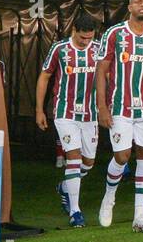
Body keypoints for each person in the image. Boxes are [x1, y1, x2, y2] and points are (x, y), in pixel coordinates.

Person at [96, 0, 143, 232]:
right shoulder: (115, 34)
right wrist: (102, 106)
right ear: (129, 6)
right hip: (119, 106)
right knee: (123, 156)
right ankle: (109, 197)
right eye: (138, 2)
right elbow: (101, 70)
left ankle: (140, 215)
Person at [36, 12, 101, 227]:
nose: (86, 42)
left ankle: (65, 186)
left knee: (89, 163)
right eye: (82, 37)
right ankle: (75, 211)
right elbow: (45, 76)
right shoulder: (60, 49)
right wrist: (39, 110)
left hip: (90, 114)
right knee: (73, 158)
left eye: (89, 38)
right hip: (65, 112)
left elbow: (108, 76)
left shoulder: (98, 49)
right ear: (74, 31)